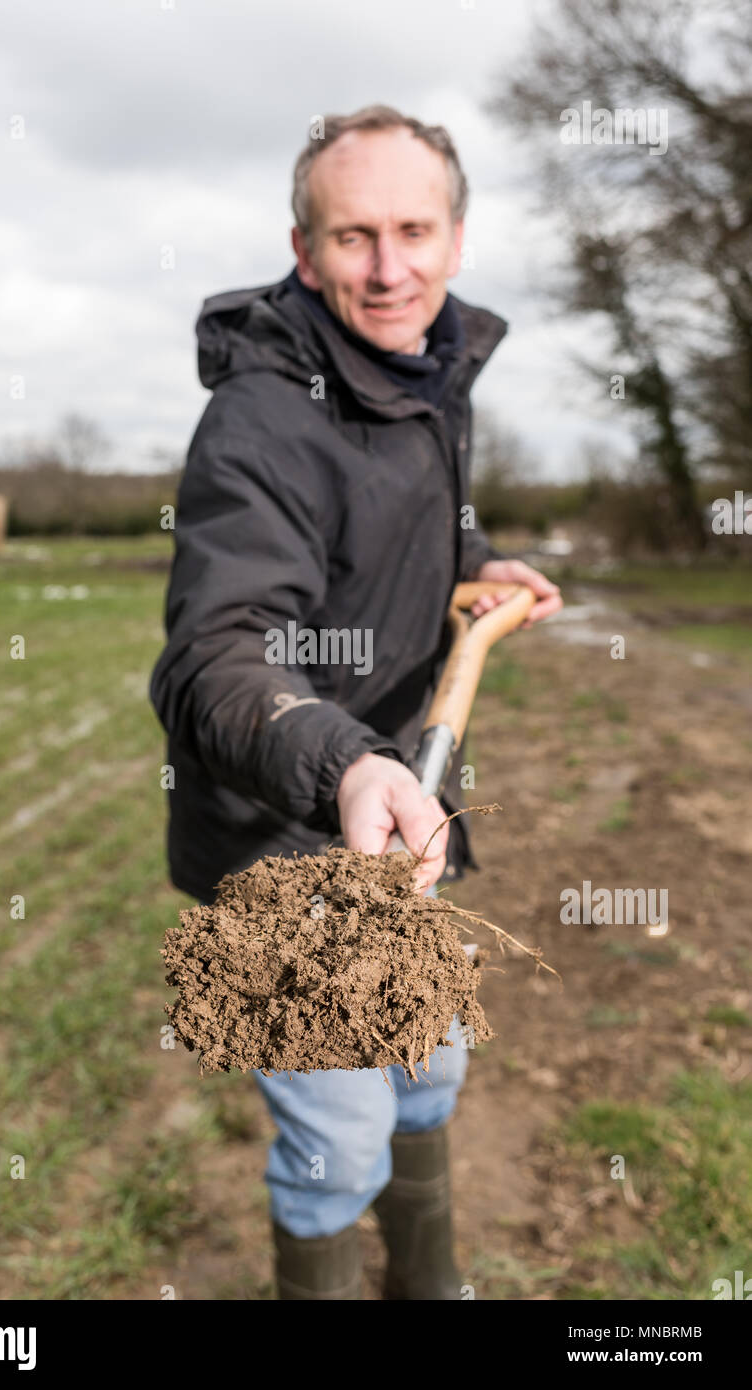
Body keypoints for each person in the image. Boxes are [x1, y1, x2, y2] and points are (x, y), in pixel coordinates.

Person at [149, 104, 562, 1300]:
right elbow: (213, 656)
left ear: (458, 236)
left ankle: (429, 1287)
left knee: (427, 1079)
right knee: (340, 1144)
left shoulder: (424, 372)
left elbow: (402, 524)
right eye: (354, 237)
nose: (390, 269)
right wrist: (345, 764)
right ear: (303, 249)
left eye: (414, 230)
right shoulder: (263, 421)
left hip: (404, 823)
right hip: (295, 846)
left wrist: (473, 568)